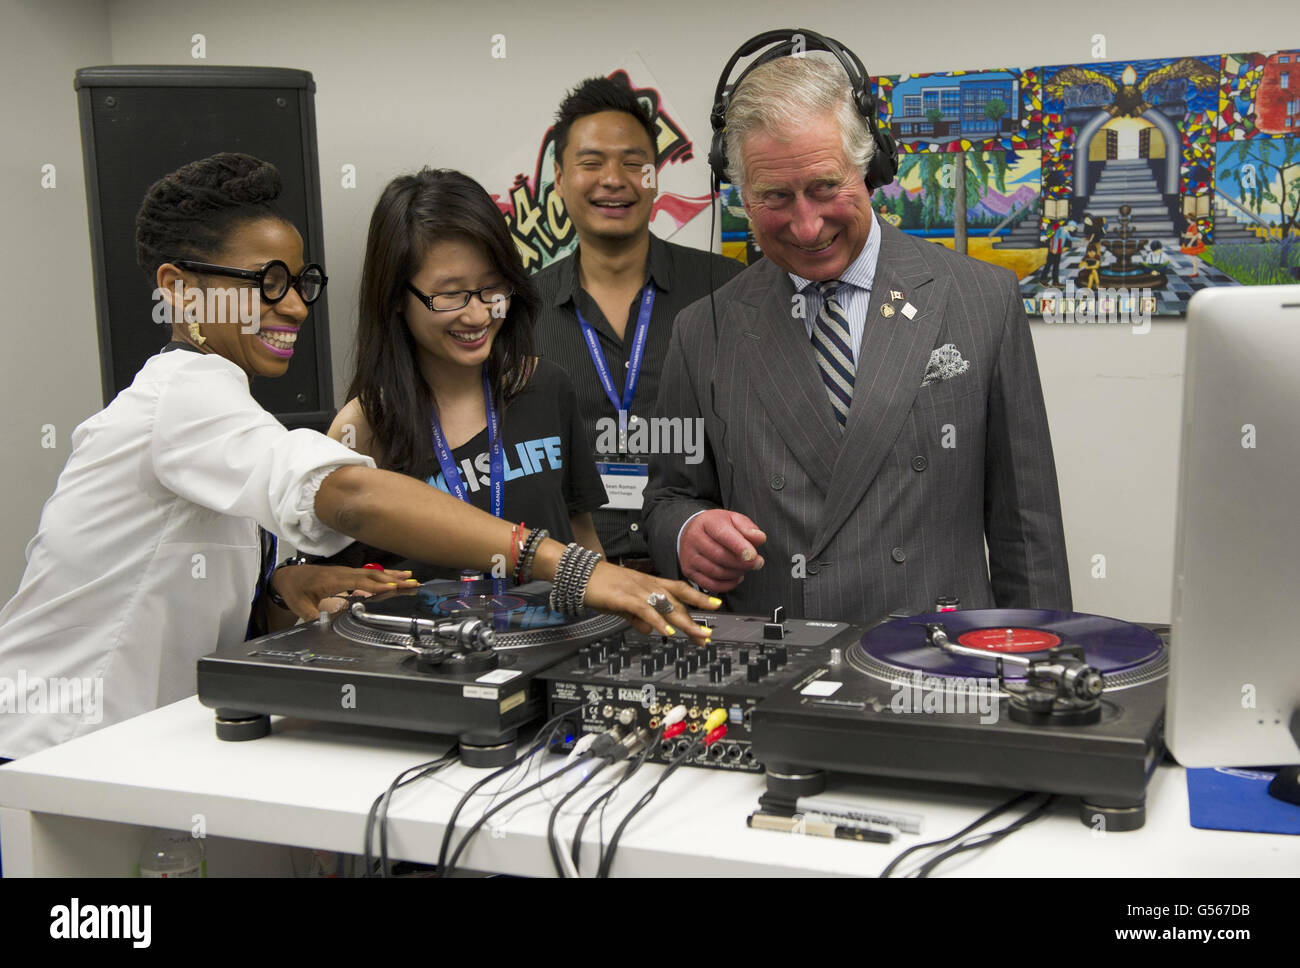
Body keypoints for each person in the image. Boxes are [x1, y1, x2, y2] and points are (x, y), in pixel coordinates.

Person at [0, 153, 715, 762]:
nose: (294, 307)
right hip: (59, 743)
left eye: (300, 283)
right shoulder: (183, 395)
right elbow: (352, 497)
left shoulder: (219, 408)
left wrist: (282, 592)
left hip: (128, 740)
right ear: (180, 289)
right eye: (266, 283)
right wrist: (574, 566)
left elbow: (207, 579)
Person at [642, 56, 1071, 624]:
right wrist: (687, 531)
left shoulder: (980, 301)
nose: (807, 225)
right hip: (776, 664)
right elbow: (668, 499)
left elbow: (1027, 528)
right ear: (741, 197)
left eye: (825, 187)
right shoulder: (704, 329)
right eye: (775, 197)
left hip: (938, 660)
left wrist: (1036, 674)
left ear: (868, 168)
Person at [322, 169, 605, 581]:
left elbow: (582, 538)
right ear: (397, 296)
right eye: (451, 294)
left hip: (554, 642)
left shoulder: (545, 386)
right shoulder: (361, 429)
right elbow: (334, 588)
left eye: (493, 288)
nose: (478, 314)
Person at [532, 76, 744, 573]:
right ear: (559, 179)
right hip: (573, 585)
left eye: (633, 164)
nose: (613, 179)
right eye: (590, 163)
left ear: (654, 178)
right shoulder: (522, 310)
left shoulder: (727, 291)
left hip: (705, 578)